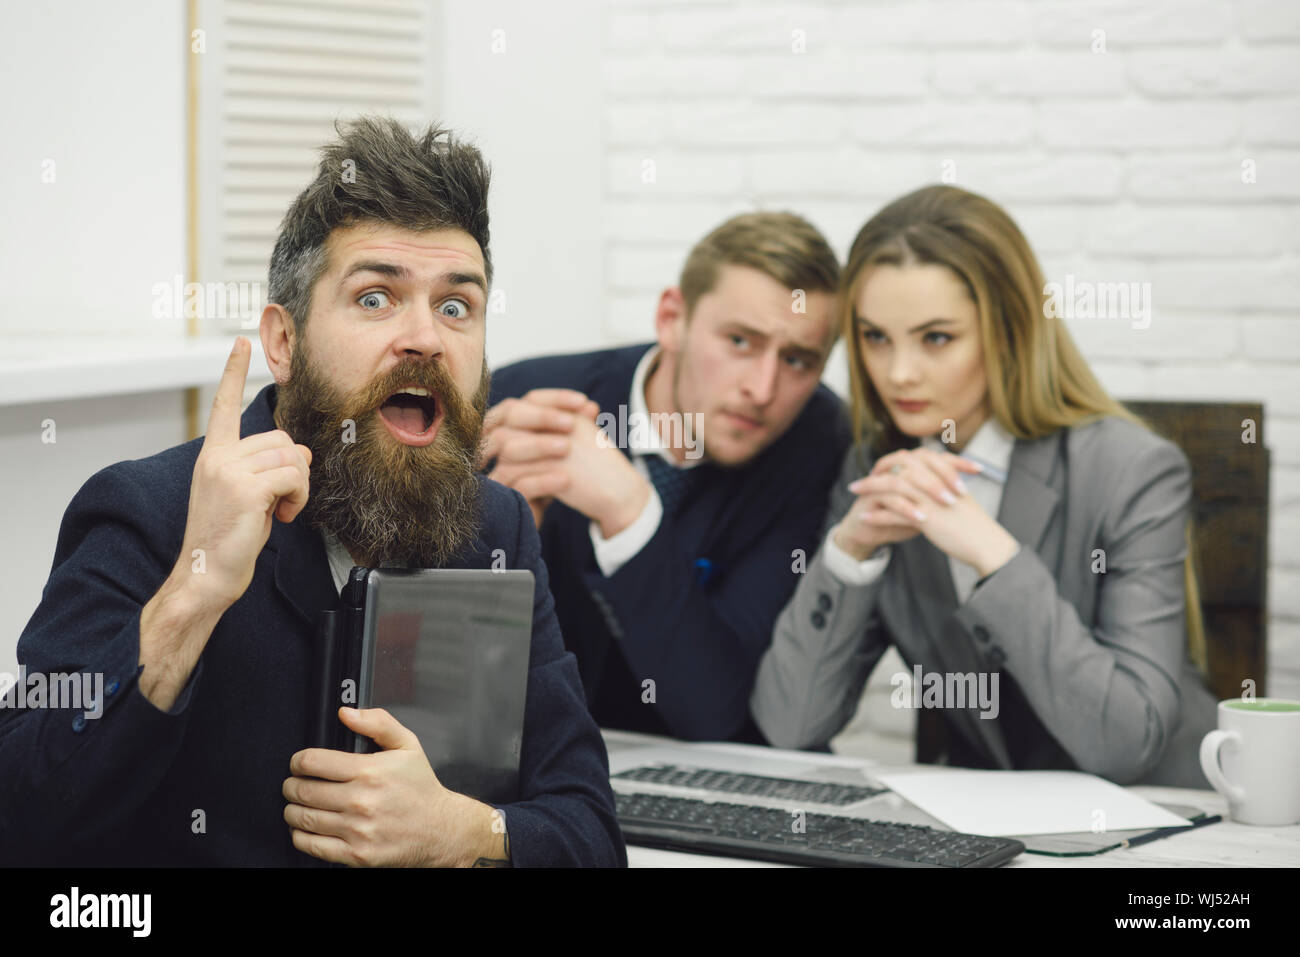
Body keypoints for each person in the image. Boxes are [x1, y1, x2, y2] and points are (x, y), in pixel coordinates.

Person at [0, 117, 625, 866]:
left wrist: (463, 832)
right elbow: (24, 818)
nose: (426, 337)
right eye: (375, 298)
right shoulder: (151, 512)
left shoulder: (496, 527)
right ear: (284, 342)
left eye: (456, 306)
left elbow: (589, 829)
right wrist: (192, 597)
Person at [750, 184, 1216, 788]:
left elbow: (1125, 744)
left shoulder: (1133, 469)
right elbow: (789, 727)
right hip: (1004, 830)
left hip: (1175, 824)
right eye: (875, 337)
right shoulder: (875, 465)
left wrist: (992, 554)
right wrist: (848, 556)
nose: (898, 373)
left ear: (1009, 330)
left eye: (936, 338)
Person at [484, 213, 848, 742]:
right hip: (538, 772)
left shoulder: (816, 446)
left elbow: (719, 713)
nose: (763, 389)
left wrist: (631, 515)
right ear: (672, 319)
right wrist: (499, 542)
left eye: (797, 359)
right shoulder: (523, 397)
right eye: (741, 342)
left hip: (703, 784)